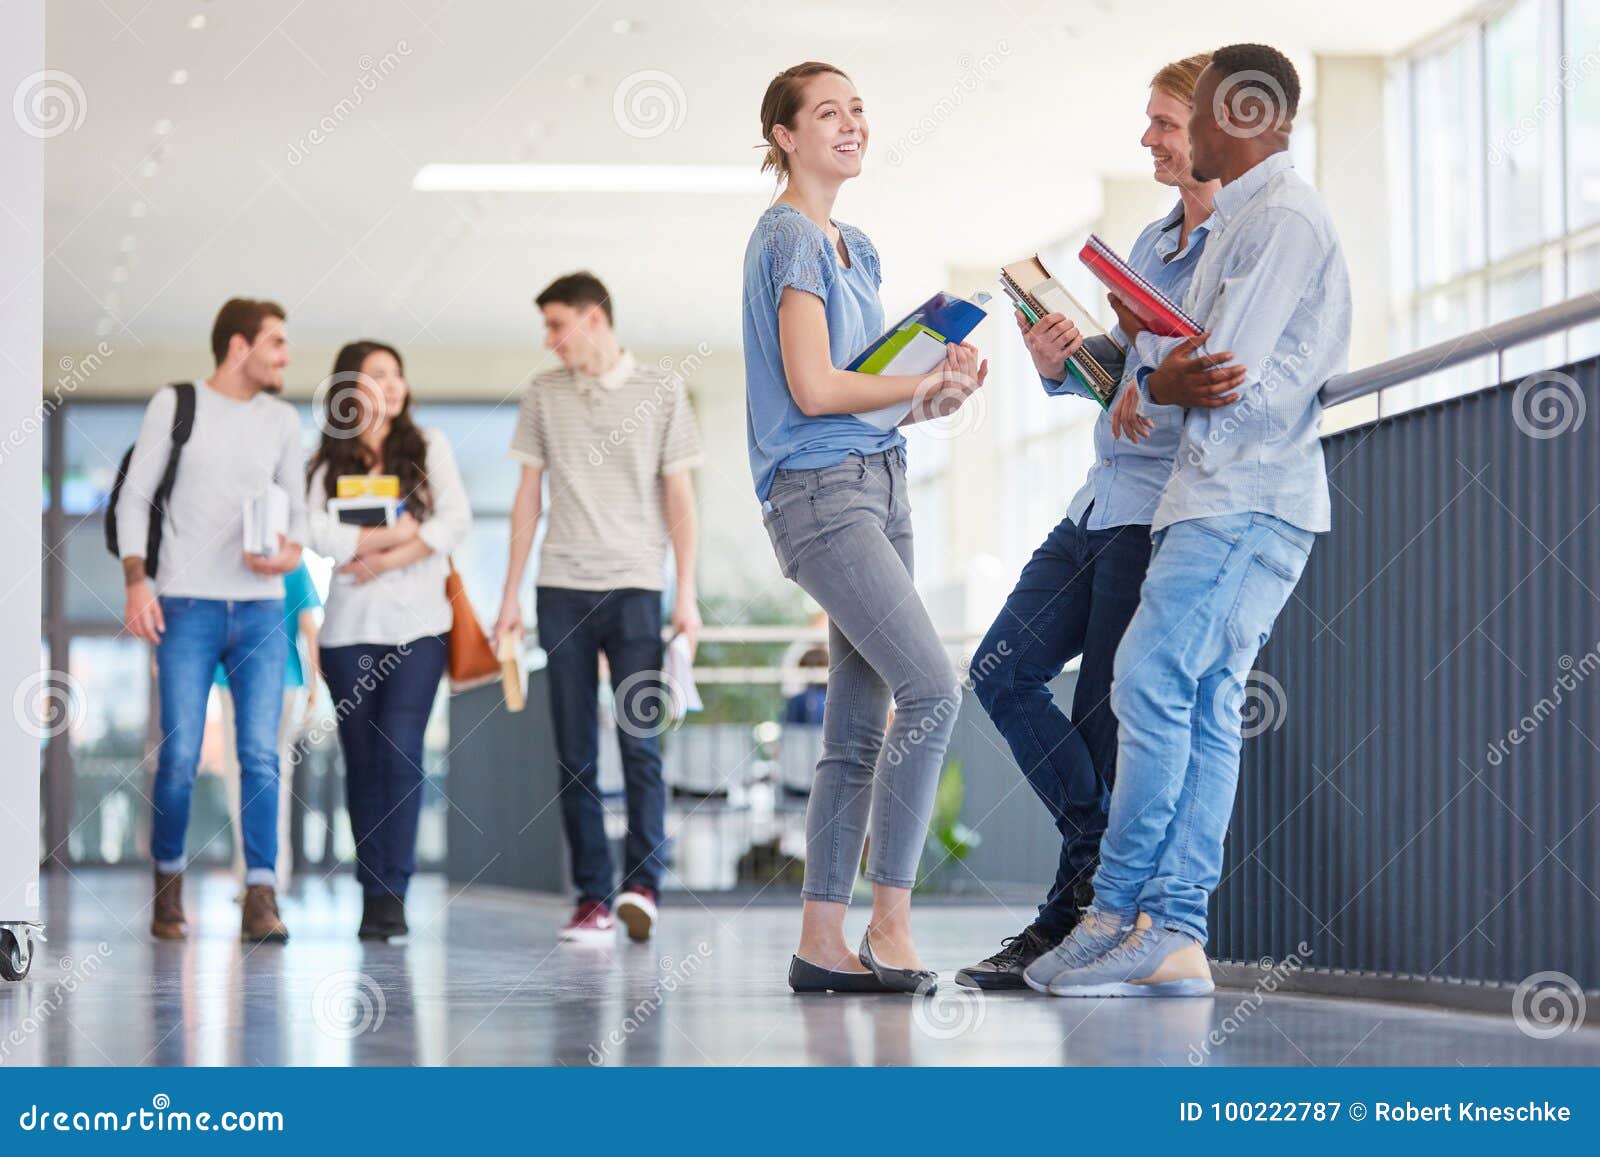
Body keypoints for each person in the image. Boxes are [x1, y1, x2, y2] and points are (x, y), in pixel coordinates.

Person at [1026, 43, 1351, 997]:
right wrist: (1153, 370)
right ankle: (1171, 928)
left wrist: (1160, 380)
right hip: (1215, 496)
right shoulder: (1239, 224)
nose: (1177, 135)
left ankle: (1125, 910)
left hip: (1245, 498)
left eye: (1196, 115)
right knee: (1200, 707)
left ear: (1244, 119)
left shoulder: (1282, 219)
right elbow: (1182, 361)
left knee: (1150, 681)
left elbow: (1222, 375)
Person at [957, 54, 1220, 990]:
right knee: (998, 668)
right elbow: (1115, 368)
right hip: (1096, 504)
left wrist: (1137, 377)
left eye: (1162, 122)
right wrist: (1056, 354)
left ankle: (1074, 911)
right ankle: (1096, 853)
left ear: (1213, 126)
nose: (1148, 138)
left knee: (1101, 718)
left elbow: (1217, 381)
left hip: (1159, 517)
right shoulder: (1152, 242)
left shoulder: (1237, 244)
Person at [742, 62, 987, 995]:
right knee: (931, 688)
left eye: (859, 111)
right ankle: (891, 922)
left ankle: (821, 941)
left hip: (878, 485)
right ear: (785, 137)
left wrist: (938, 394)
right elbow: (812, 390)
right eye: (828, 114)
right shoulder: (788, 237)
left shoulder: (859, 247)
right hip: (821, 496)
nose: (851, 125)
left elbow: (860, 400)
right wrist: (917, 385)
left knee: (857, 725)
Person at [493, 272, 703, 946]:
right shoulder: (541, 394)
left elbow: (681, 499)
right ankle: (591, 897)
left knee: (639, 742)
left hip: (638, 586)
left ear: (593, 319)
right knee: (575, 750)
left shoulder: (662, 389)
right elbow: (527, 498)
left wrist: (687, 595)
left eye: (557, 325)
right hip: (560, 588)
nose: (550, 341)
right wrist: (509, 598)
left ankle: (642, 885)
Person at [119, 297, 306, 943]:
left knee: (259, 755)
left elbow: (300, 519)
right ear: (238, 346)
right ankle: (168, 883)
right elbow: (135, 496)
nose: (286, 356)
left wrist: (286, 554)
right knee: (178, 755)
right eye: (276, 342)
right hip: (185, 605)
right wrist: (137, 579)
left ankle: (260, 892)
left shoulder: (283, 420)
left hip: (259, 608)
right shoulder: (176, 403)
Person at [306, 340, 472, 941]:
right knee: (363, 760)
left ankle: (392, 892)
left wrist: (381, 554)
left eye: (398, 373)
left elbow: (454, 522)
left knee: (402, 753)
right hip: (348, 634)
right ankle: (371, 886)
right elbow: (313, 531)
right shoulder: (323, 463)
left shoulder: (429, 447)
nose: (393, 384)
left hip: (420, 629)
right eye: (378, 375)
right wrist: (392, 534)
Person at [215, 559, 321, 896]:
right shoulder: (293, 562)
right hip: (285, 680)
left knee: (240, 775)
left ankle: (252, 875)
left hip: (238, 679)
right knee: (276, 777)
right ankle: (273, 875)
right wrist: (316, 683)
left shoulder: (239, 558)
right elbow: (309, 626)